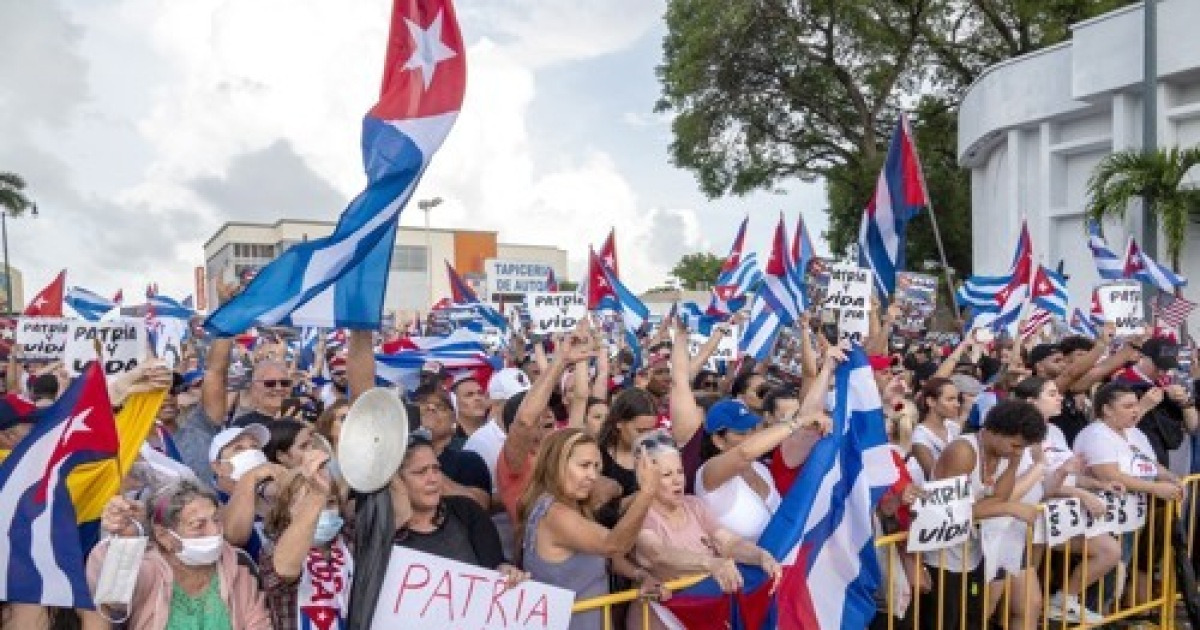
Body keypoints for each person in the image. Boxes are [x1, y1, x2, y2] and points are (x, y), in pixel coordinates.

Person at [346, 431, 526, 630]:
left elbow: (494, 566)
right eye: (421, 472)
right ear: (395, 481)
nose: (433, 479)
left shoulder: (466, 512)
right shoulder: (375, 532)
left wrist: (505, 572)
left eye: (436, 469)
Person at [632, 431, 780, 629]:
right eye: (667, 475)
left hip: (704, 611)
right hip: (661, 617)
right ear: (646, 479)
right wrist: (711, 564)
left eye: (680, 472)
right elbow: (658, 554)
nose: (677, 480)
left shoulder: (694, 505)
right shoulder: (640, 514)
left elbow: (728, 542)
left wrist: (760, 556)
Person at [517, 428, 662, 630]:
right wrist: (646, 493)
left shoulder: (570, 506)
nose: (593, 476)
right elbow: (613, 546)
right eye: (584, 466)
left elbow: (606, 559)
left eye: (596, 467)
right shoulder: (555, 514)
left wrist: (640, 575)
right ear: (555, 464)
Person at [922, 399, 1046, 630]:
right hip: (941, 557)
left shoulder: (1003, 455)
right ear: (997, 431)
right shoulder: (963, 451)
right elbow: (949, 511)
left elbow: (1000, 497)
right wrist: (1011, 509)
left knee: (972, 619)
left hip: (974, 553)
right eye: (1016, 445)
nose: (1017, 452)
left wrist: (1012, 466)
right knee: (944, 621)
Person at [89, 481, 270, 630]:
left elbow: (259, 624)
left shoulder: (237, 567)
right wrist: (127, 539)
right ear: (164, 536)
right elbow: (114, 599)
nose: (215, 531)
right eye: (198, 525)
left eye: (216, 520)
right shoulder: (148, 569)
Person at [1011, 377, 1118, 624]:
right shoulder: (1019, 437)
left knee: (1108, 550)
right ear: (1031, 402)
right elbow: (1037, 488)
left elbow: (1069, 475)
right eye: (1051, 394)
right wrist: (1079, 492)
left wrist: (1098, 485)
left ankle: (1063, 600)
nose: (1060, 397)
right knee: (1027, 600)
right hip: (1029, 519)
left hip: (1059, 517)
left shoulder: (1056, 431)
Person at [1073, 382, 1186, 608]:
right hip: (1103, 516)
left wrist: (1170, 478)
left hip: (1131, 515)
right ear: (1107, 410)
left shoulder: (1134, 433)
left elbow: (1150, 464)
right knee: (1109, 572)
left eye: (1136, 405)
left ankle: (1104, 615)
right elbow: (1110, 476)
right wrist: (1156, 489)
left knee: (1121, 569)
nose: (1136, 410)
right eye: (1128, 406)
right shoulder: (1096, 435)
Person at [260, 451, 351, 630]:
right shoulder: (274, 550)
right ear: (286, 511)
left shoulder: (349, 541)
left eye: (330, 503)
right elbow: (283, 570)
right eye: (305, 504)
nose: (321, 511)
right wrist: (317, 496)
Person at [412, 384, 492, 509]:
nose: (431, 408)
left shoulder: (468, 460)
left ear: (453, 419)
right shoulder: (399, 459)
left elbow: (480, 505)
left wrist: (422, 439)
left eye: (440, 406)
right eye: (422, 404)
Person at [910, 377, 961, 480]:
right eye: (950, 399)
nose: (957, 404)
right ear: (931, 401)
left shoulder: (953, 427)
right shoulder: (920, 437)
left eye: (957, 399)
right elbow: (934, 476)